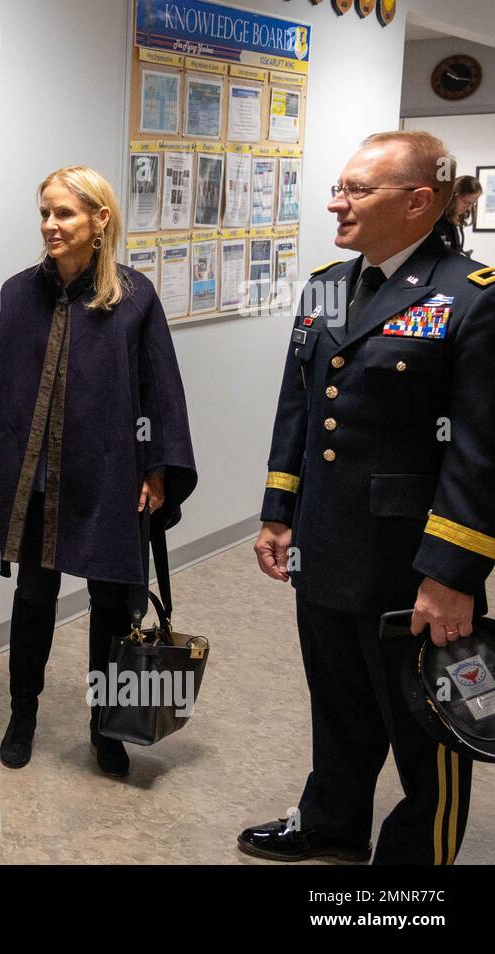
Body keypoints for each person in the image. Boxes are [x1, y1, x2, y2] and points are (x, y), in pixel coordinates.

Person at [240, 131, 495, 865]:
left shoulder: (472, 299)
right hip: (326, 539)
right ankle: (330, 819)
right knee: (339, 699)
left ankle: (417, 860)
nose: (335, 202)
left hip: (411, 558)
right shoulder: (327, 282)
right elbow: (300, 406)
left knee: (424, 720)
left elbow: (481, 454)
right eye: (340, 186)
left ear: (418, 201)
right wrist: (278, 511)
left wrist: (450, 575)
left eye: (356, 190)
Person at [0, 166, 196, 777]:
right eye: (46, 213)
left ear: (99, 220)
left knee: (113, 605)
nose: (51, 226)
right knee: (33, 599)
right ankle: (21, 713)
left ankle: (105, 727)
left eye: (65, 214)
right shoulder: (17, 292)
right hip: (37, 479)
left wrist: (157, 467)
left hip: (110, 475)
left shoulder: (135, 297)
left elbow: (160, 388)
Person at [433, 174, 482, 256]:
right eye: (466, 202)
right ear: (453, 196)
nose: (469, 208)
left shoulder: (452, 222)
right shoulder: (436, 221)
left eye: (472, 204)